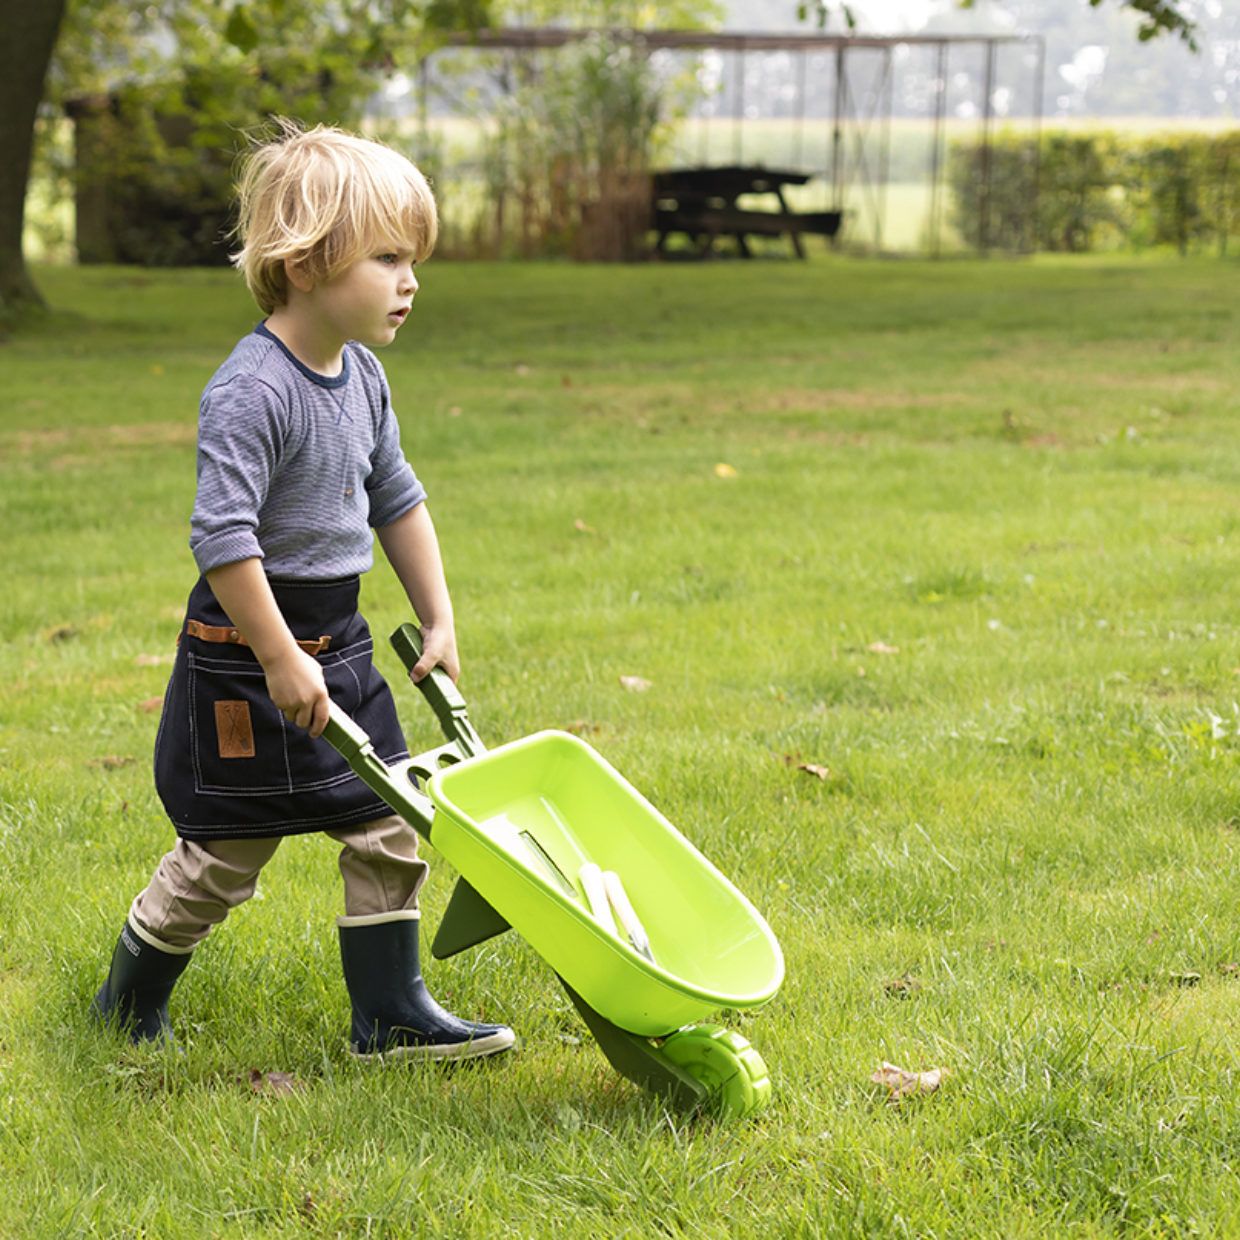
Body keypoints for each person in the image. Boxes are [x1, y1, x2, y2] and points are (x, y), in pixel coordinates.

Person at [92, 120, 515, 1062]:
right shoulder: (252, 391)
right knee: (225, 854)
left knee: (390, 824)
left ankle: (389, 1017)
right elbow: (223, 539)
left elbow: (396, 495)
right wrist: (278, 656)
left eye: (414, 260)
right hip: (248, 655)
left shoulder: (362, 375)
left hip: (340, 641)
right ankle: (126, 1006)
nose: (411, 281)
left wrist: (439, 615)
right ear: (307, 263)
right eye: (389, 259)